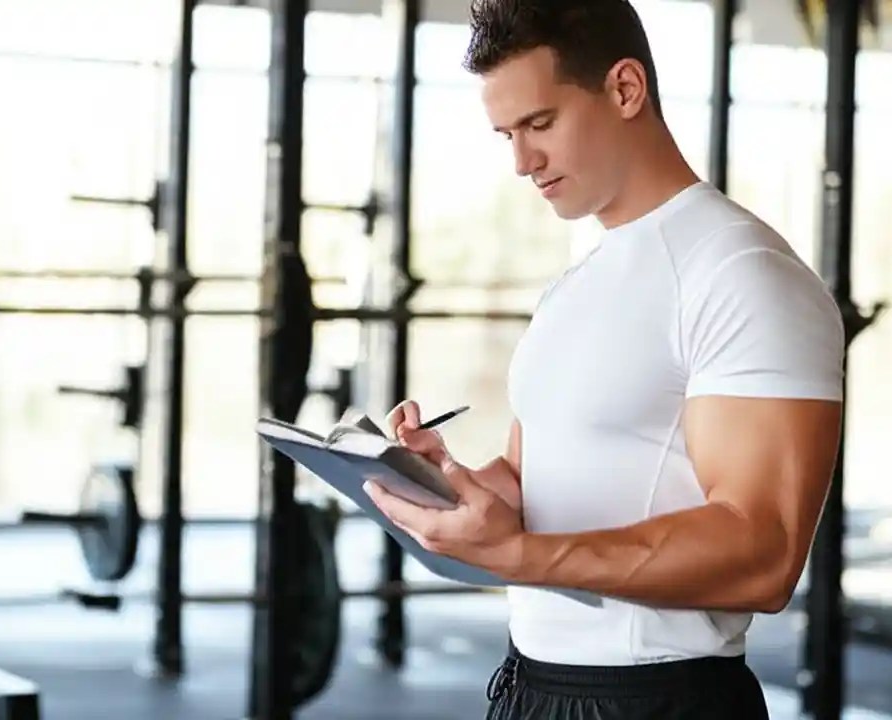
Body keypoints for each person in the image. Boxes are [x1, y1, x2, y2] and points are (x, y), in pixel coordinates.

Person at [362, 1, 846, 718]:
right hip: (533, 686)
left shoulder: (742, 272)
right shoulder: (573, 289)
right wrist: (448, 484)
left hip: (661, 697)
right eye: (507, 135)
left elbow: (764, 552)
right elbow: (535, 484)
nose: (523, 162)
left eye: (540, 125)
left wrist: (518, 558)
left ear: (625, 89)